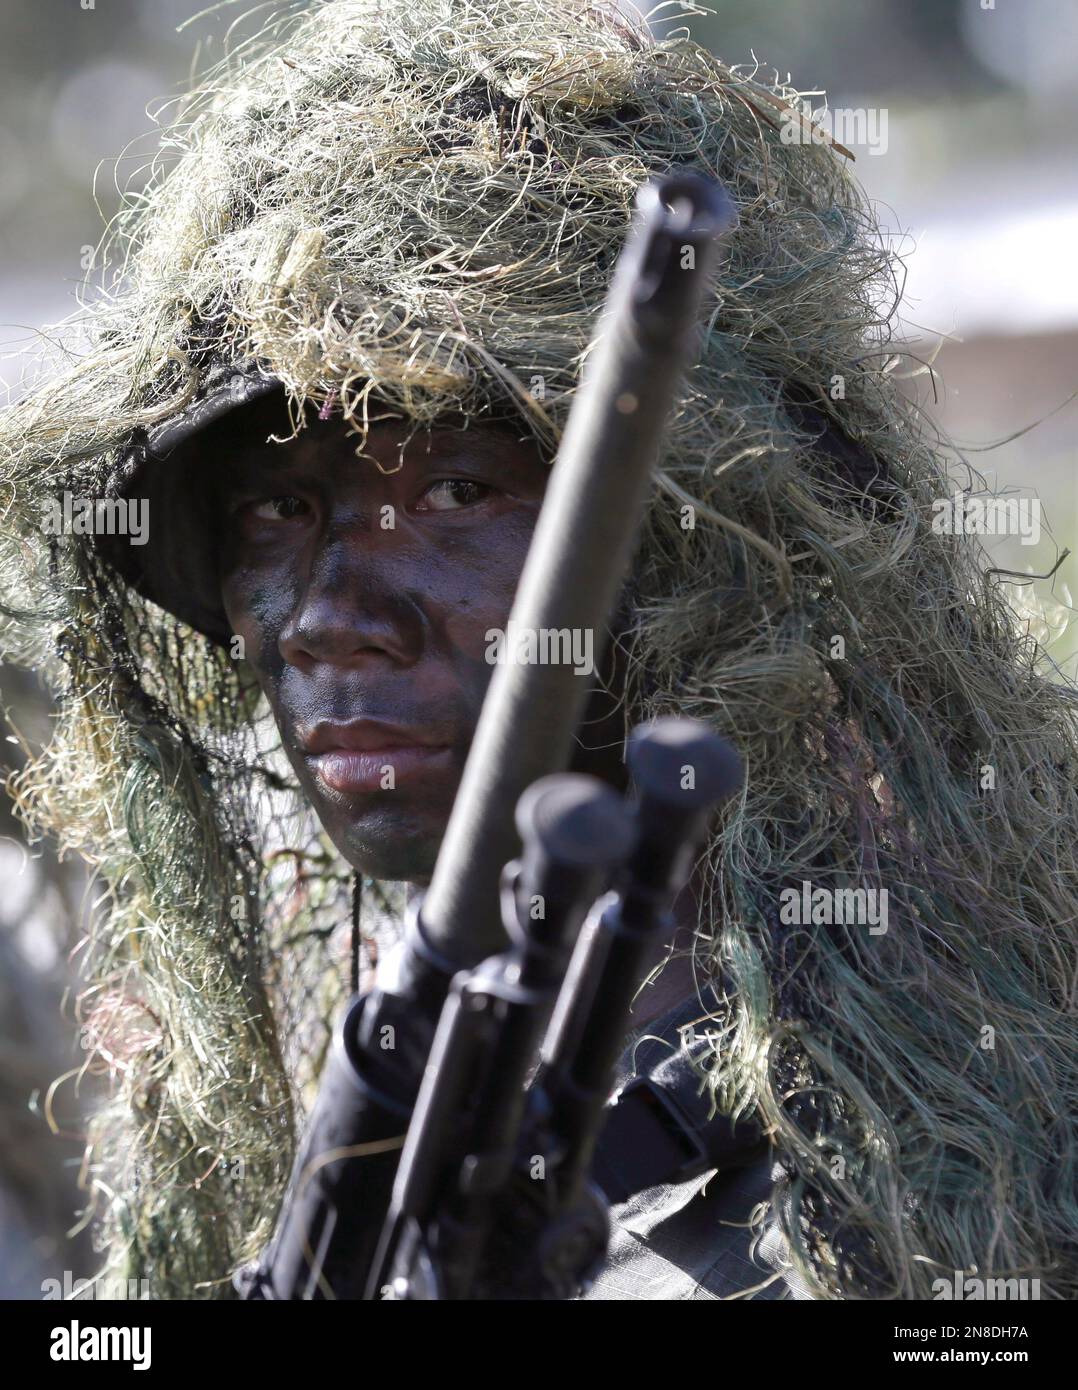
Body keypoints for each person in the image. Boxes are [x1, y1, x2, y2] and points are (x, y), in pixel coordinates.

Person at [2, 0, 1075, 1301]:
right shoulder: (342, 1076)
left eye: (456, 492)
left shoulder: (975, 1129)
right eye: (274, 510)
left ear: (712, 556)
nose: (330, 613)